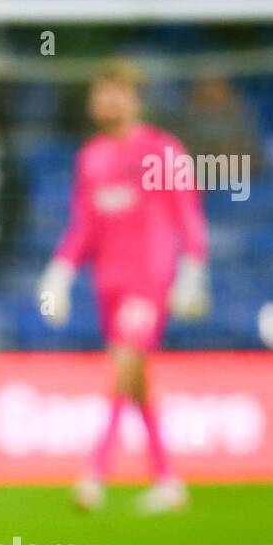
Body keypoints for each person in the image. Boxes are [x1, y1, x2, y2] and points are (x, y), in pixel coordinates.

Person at [35, 61, 209, 514]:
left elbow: (188, 217)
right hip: (107, 284)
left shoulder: (162, 151)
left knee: (123, 367)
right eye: (101, 91)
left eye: (118, 91)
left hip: (149, 281)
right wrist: (60, 273)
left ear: (136, 97)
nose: (108, 100)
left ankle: (95, 474)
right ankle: (168, 480)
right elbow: (84, 229)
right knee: (138, 379)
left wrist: (193, 270)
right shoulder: (91, 157)